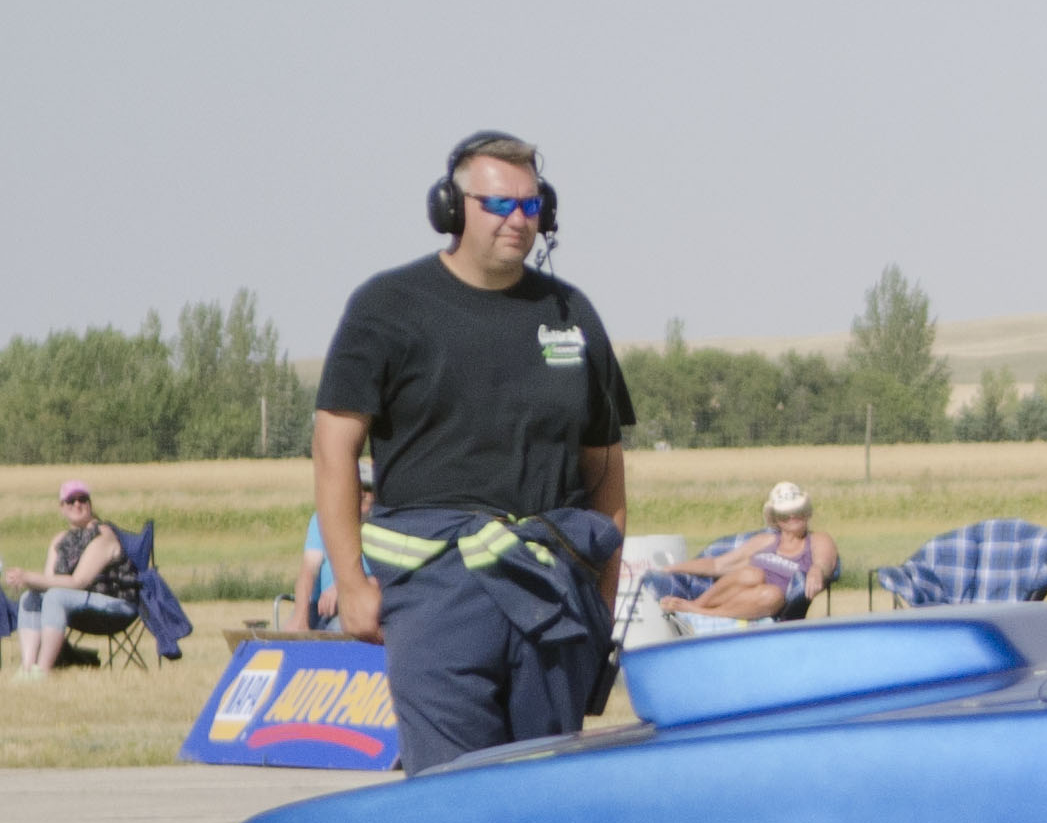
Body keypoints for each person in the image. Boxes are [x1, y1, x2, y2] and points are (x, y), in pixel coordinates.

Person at [313, 130, 633, 772]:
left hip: (552, 589)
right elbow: (332, 449)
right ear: (451, 208)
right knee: (449, 790)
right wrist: (350, 582)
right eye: (498, 204)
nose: (518, 219)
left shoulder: (570, 314)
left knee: (544, 784)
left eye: (531, 204)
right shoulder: (388, 307)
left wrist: (600, 598)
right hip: (436, 587)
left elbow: (605, 469)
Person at [9, 481, 139, 674]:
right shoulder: (60, 540)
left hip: (115, 606)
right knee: (31, 596)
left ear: (90, 504)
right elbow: (48, 582)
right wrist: (27, 581)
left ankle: (43, 670)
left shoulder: (103, 535)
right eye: (71, 500)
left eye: (82, 499)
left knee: (55, 597)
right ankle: (27, 667)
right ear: (62, 507)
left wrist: (29, 577)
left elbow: (79, 582)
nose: (77, 504)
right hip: (78, 606)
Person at [664, 481, 838, 624]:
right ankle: (695, 605)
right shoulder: (765, 540)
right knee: (752, 574)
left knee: (773, 594)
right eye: (785, 514)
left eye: (798, 511)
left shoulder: (817, 539)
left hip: (773, 602)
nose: (792, 517)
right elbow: (717, 565)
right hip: (738, 595)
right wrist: (671, 568)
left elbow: (824, 562)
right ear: (775, 518)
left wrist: (817, 571)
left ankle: (700, 612)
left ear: (807, 512)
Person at [282, 459, 375, 633]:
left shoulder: (383, 527)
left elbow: (386, 580)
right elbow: (309, 569)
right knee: (289, 633)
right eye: (352, 492)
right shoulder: (323, 520)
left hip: (359, 606)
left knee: (336, 630)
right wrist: (300, 616)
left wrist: (343, 588)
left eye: (363, 495)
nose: (356, 500)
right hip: (320, 606)